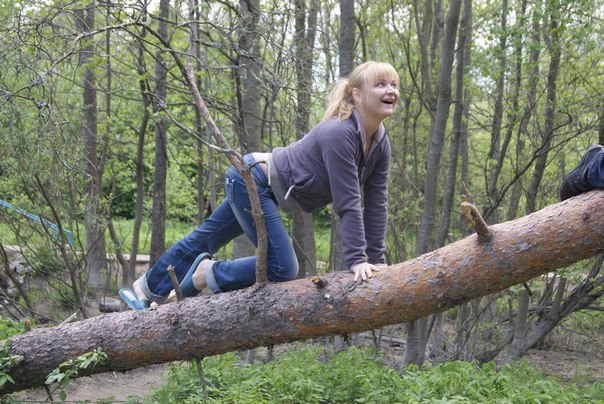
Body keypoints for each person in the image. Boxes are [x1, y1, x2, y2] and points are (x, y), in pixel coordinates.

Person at [119, 61, 400, 310]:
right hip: (252, 179)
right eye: (380, 84)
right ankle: (205, 272)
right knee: (283, 266)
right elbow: (348, 203)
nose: (391, 90)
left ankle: (145, 288)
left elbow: (377, 202)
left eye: (394, 85)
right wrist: (357, 260)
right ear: (357, 94)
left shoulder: (379, 143)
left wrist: (376, 259)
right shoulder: (339, 133)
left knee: (206, 238)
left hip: (263, 188)